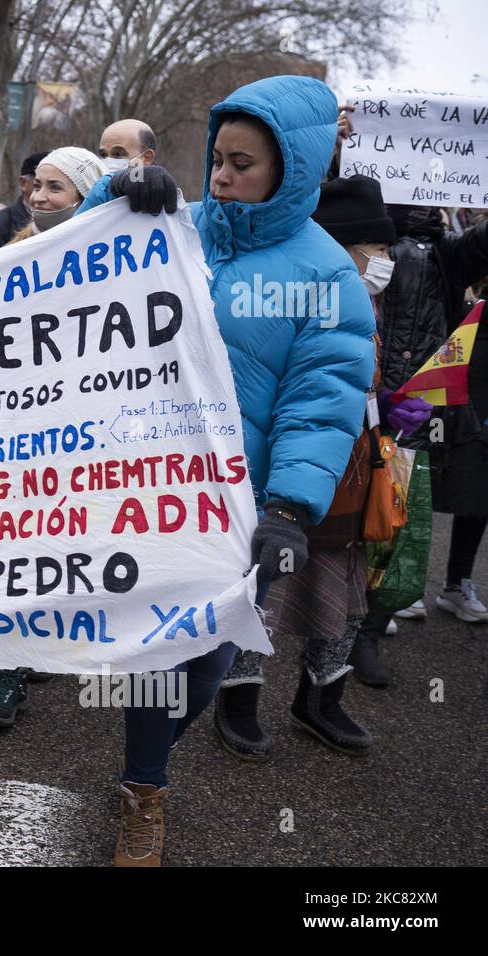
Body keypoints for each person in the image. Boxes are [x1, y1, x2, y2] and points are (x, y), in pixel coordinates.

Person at [76, 75, 375, 865]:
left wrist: (290, 508)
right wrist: (112, 190)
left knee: (205, 667)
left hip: (243, 510)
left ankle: (148, 754)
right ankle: (146, 788)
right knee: (156, 655)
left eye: (243, 164)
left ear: (293, 170)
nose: (222, 178)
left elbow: (323, 401)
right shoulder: (172, 228)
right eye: (217, 160)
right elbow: (62, 276)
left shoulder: (326, 276)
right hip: (142, 488)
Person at [214, 174, 430, 759]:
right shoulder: (288, 295)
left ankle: (321, 701)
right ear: (339, 249)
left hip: (353, 481)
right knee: (264, 590)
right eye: (377, 250)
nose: (386, 261)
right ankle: (237, 700)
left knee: (335, 590)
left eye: (387, 251)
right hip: (286, 474)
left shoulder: (372, 305)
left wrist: (385, 408)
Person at [0, 146, 107, 728]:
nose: (40, 196)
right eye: (38, 186)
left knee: (61, 542)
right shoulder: (13, 253)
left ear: (84, 196)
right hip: (17, 425)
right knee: (13, 543)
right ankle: (7, 672)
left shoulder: (117, 259)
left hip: (84, 429)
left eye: (56, 188)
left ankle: (45, 641)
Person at [349, 201, 488, 683]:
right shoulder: (360, 234)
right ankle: (332, 634)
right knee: (345, 524)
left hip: (416, 411)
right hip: (358, 401)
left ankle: (368, 628)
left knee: (398, 526)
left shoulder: (448, 252)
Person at [0, 151, 45, 251]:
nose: (45, 194)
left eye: (55, 187)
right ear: (23, 183)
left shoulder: (66, 225)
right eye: (38, 185)